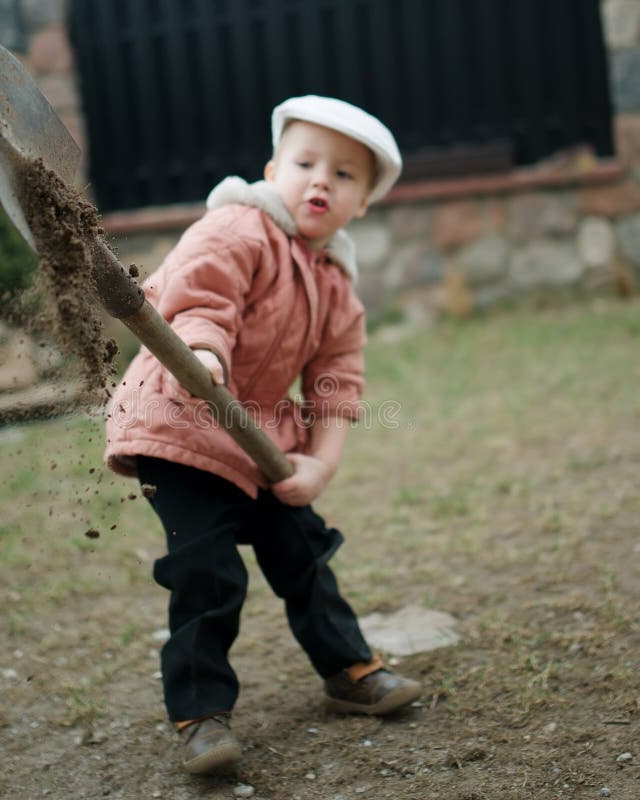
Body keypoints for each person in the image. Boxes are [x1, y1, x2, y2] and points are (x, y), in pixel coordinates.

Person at [105, 95, 421, 774]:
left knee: (304, 552)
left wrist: (318, 467)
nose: (320, 181)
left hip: (257, 439)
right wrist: (205, 354)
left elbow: (337, 383)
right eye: (306, 162)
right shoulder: (237, 228)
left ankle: (349, 670)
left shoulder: (336, 285)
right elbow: (198, 297)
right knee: (207, 571)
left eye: (344, 175)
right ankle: (201, 716)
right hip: (178, 424)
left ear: (362, 203)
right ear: (272, 169)